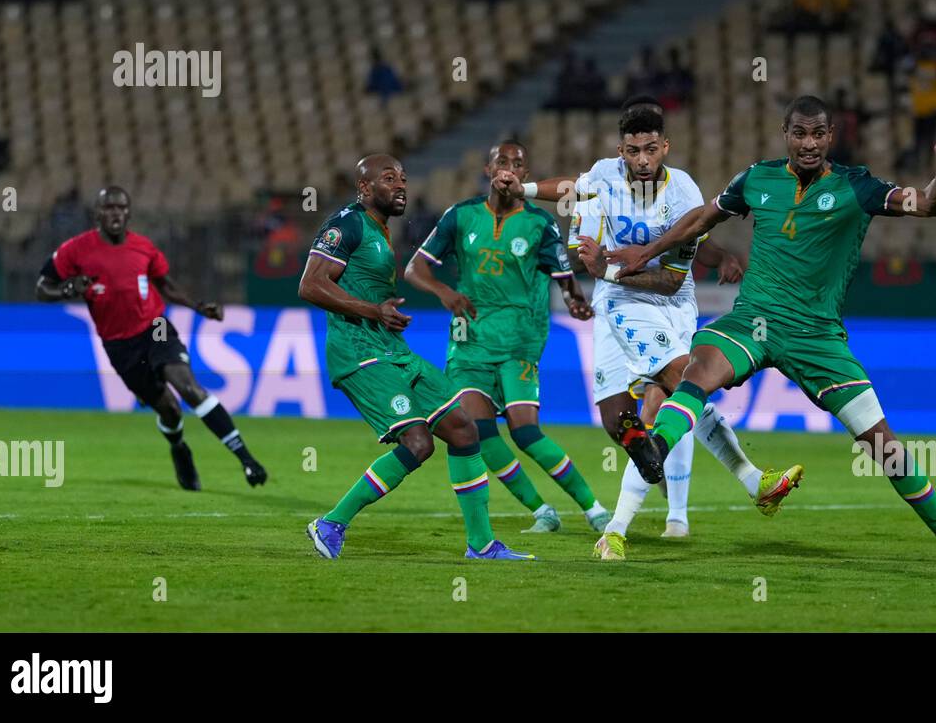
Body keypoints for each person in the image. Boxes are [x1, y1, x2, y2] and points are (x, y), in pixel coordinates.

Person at [607, 97, 936, 565]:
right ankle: (655, 446)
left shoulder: (859, 187)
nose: (808, 143)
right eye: (799, 134)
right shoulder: (757, 178)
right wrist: (647, 251)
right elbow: (701, 219)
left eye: (817, 134)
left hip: (817, 335)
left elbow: (928, 204)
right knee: (701, 366)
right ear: (786, 134)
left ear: (830, 135)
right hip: (755, 319)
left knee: (881, 442)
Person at [494, 104, 803, 561]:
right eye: (633, 151)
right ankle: (748, 482)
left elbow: (673, 279)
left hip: (669, 302)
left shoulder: (682, 194)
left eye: (651, 149)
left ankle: (626, 526)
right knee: (624, 416)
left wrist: (609, 272)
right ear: (622, 150)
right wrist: (525, 187)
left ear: (665, 148)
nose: (642, 159)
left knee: (676, 397)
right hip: (619, 301)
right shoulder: (605, 175)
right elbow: (571, 189)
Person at [300, 155, 534, 561]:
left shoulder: (378, 229)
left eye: (404, 178)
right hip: (359, 355)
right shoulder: (347, 224)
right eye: (389, 179)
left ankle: (481, 545)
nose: (401, 185)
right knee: (418, 442)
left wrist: (381, 312)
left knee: (463, 428)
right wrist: (375, 311)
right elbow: (310, 285)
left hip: (391, 350)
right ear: (365, 188)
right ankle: (332, 523)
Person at [403, 141, 610, 534]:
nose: (509, 168)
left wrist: (575, 300)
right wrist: (444, 292)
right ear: (488, 169)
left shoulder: (539, 223)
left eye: (517, 164)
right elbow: (415, 269)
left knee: (525, 430)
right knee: (477, 430)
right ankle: (542, 511)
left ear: (525, 177)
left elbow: (563, 276)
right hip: (469, 339)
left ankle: (593, 508)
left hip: (520, 338)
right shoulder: (460, 216)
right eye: (502, 161)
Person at [35, 187, 268, 491]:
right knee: (168, 409)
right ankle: (179, 448)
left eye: (121, 207)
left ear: (128, 213)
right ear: (97, 214)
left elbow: (166, 286)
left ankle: (246, 459)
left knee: (188, 387)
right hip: (119, 345)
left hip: (155, 327)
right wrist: (66, 290)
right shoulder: (75, 250)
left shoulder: (143, 247)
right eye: (108, 207)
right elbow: (43, 288)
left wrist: (198, 307)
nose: (115, 213)